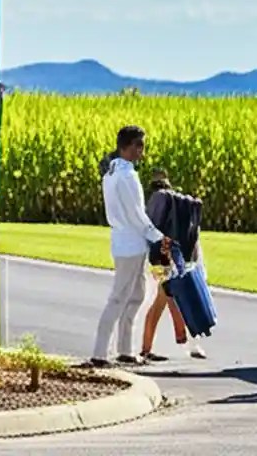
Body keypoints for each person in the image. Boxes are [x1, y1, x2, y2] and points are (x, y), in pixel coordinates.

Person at [81, 125, 166, 368]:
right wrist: (157, 236)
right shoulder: (126, 176)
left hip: (127, 241)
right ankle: (99, 353)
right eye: (140, 146)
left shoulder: (111, 172)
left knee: (137, 294)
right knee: (119, 297)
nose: (142, 151)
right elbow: (135, 213)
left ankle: (125, 349)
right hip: (130, 242)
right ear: (128, 147)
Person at [140, 168, 207, 361]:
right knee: (174, 300)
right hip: (176, 261)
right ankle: (188, 341)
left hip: (161, 261)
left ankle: (146, 347)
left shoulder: (154, 208)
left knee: (161, 301)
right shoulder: (181, 208)